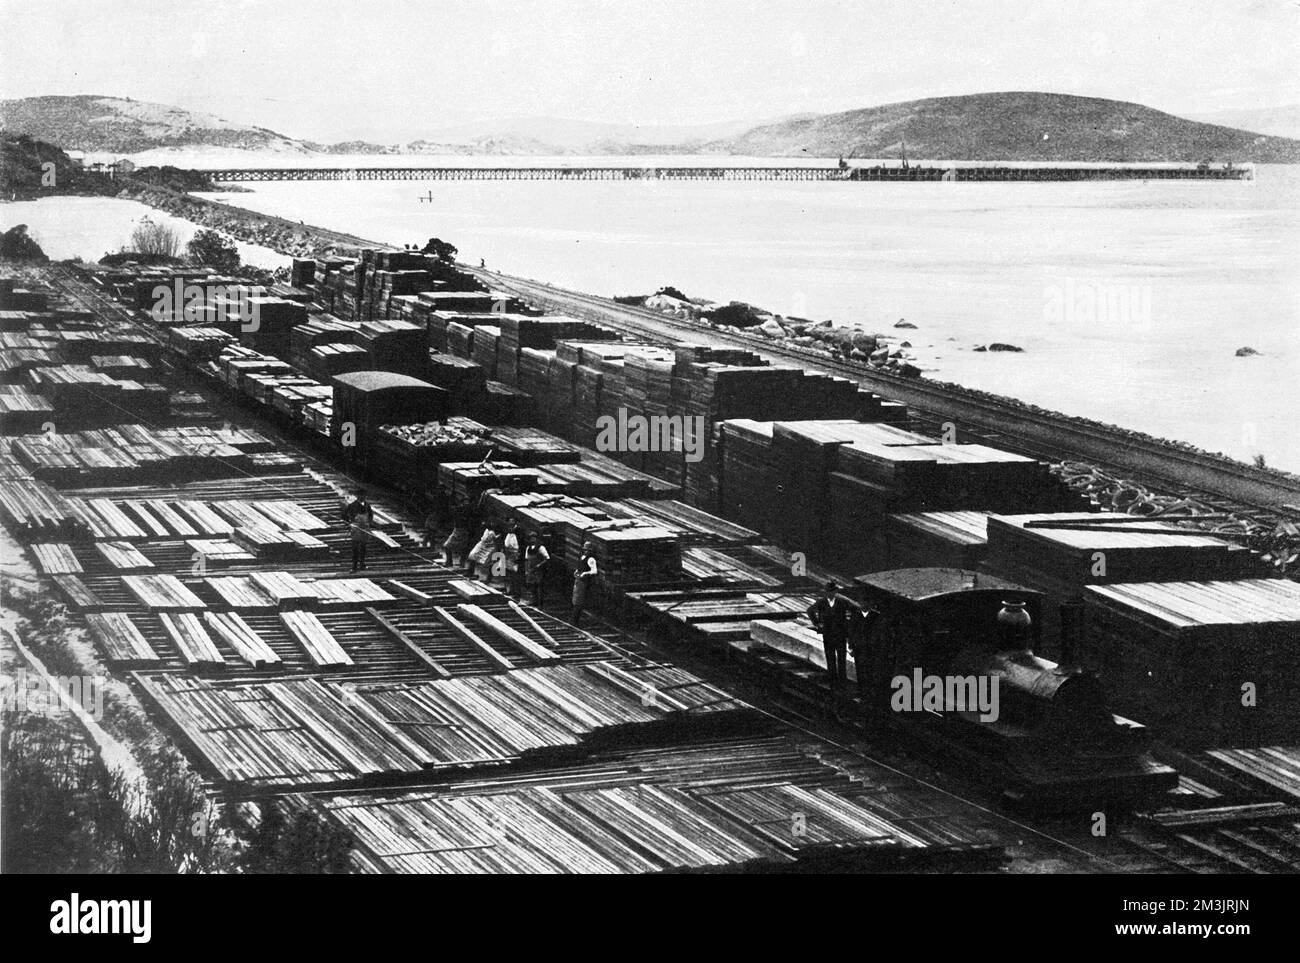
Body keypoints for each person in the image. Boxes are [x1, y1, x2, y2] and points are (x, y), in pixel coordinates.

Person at [806, 581, 851, 692]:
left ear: (835, 592)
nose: (830, 594)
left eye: (832, 591)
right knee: (830, 658)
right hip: (828, 634)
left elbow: (853, 611)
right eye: (828, 592)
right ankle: (833, 682)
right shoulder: (821, 602)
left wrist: (847, 625)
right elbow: (810, 611)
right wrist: (817, 624)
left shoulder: (841, 602)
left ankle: (842, 683)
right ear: (826, 592)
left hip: (840, 634)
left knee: (841, 659)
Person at [845, 600, 883, 699]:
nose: (864, 605)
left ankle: (870, 691)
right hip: (859, 648)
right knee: (860, 670)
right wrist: (851, 646)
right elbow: (851, 632)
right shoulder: (856, 616)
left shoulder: (876, 617)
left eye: (866, 604)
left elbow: (879, 633)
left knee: (870, 670)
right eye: (863, 604)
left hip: (870, 648)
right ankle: (862, 691)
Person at [342, 488, 374, 572]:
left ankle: (362, 564)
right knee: (355, 547)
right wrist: (349, 523)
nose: (362, 497)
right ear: (358, 496)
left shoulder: (367, 505)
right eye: (361, 495)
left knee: (363, 547)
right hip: (356, 528)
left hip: (365, 528)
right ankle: (354, 566)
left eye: (364, 496)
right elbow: (344, 515)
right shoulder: (352, 505)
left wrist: (369, 523)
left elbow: (371, 515)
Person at [570, 541, 599, 628]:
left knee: (579, 601)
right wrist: (576, 571)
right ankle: (574, 619)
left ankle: (574, 620)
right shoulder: (582, 557)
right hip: (578, 580)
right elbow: (579, 567)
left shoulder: (591, 559)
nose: (586, 551)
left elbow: (594, 571)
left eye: (588, 550)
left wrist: (585, 573)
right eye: (585, 550)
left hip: (584, 582)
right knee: (575, 599)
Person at [441, 496, 470, 568]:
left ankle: (461, 562)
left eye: (467, 502)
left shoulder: (469, 510)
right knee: (447, 546)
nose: (466, 503)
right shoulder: (459, 509)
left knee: (463, 548)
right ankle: (449, 562)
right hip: (457, 530)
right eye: (465, 501)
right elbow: (452, 511)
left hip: (464, 531)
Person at [523, 532, 550, 607]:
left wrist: (539, 565)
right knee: (532, 585)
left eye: (534, 537)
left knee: (539, 585)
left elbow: (547, 558)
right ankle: (534, 600)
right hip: (531, 569)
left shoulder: (541, 547)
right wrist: (527, 569)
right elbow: (526, 559)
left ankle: (540, 603)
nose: (532, 539)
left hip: (538, 570)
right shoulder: (528, 548)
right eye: (531, 538)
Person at [502, 523, 523, 597]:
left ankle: (517, 592)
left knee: (515, 574)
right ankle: (509, 590)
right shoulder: (508, 535)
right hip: (508, 554)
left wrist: (519, 556)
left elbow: (520, 545)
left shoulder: (518, 535)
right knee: (508, 573)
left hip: (515, 554)